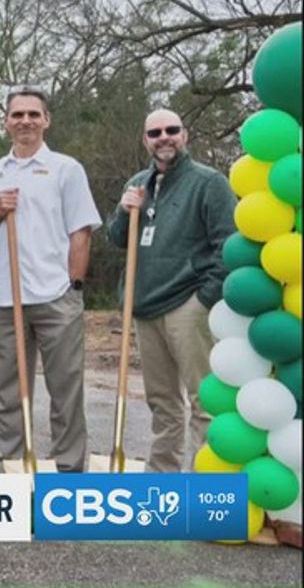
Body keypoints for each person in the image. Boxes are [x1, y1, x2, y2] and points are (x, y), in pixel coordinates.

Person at [0, 86, 101, 472]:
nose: (25, 121)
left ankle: (69, 470)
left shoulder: (66, 169)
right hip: (3, 298)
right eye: (17, 114)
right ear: (6, 122)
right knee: (11, 390)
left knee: (65, 389)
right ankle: (10, 466)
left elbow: (81, 230)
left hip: (55, 296)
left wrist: (73, 286)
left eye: (33, 114)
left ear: (46, 120)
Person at [106, 109, 235, 472]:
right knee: (161, 400)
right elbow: (117, 239)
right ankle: (163, 474)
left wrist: (205, 297)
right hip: (144, 306)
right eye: (154, 132)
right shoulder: (137, 183)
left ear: (185, 135)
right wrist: (123, 210)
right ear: (144, 140)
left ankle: (207, 478)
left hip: (188, 304)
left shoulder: (209, 183)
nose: (163, 137)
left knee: (204, 398)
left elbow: (228, 244)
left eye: (171, 130)